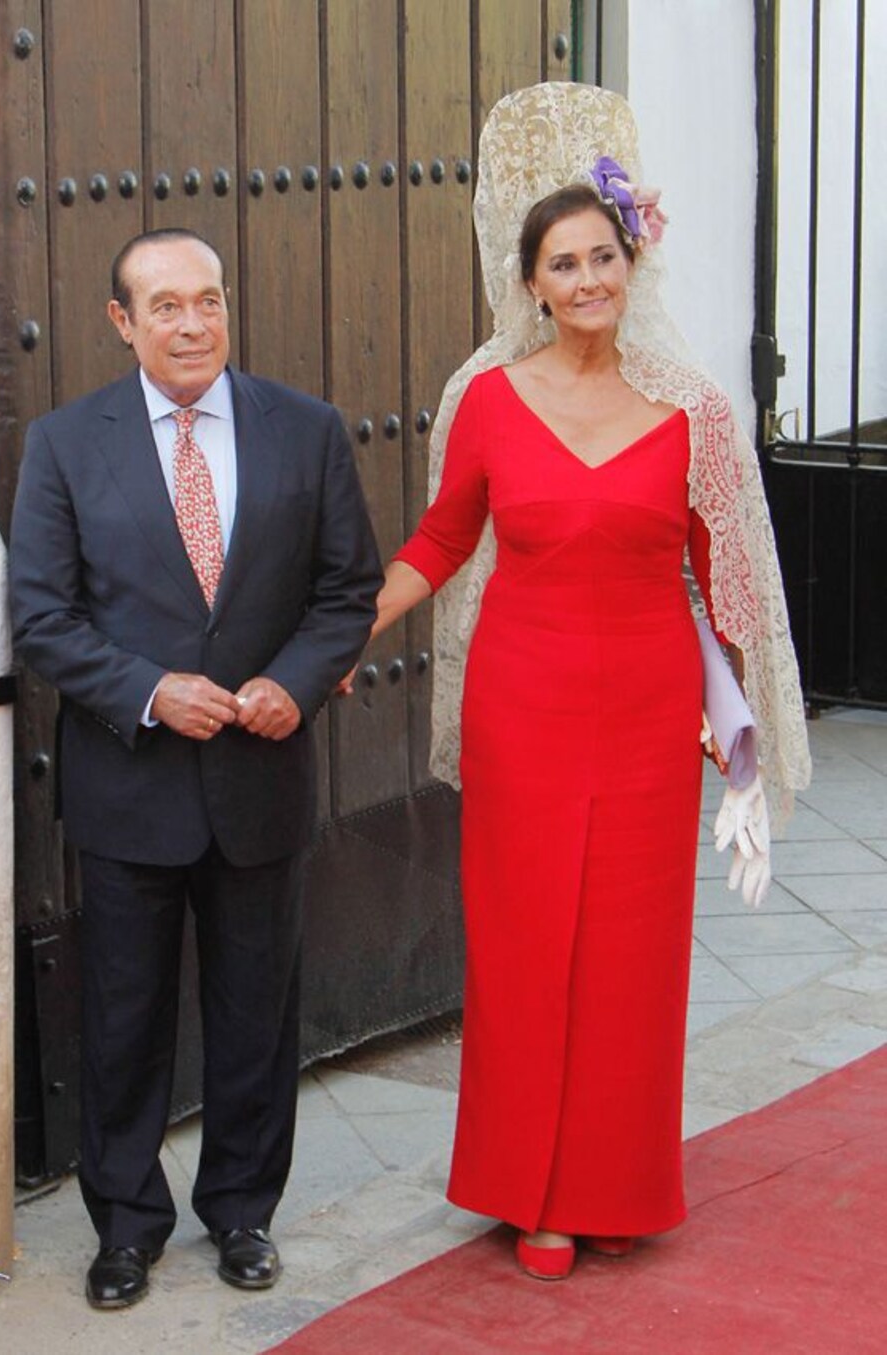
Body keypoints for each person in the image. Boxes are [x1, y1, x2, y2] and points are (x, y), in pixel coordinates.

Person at [357, 83, 811, 1280]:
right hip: (523, 710)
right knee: (523, 949)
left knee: (630, 954)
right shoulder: (494, 403)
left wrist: (740, 727)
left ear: (631, 262)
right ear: (534, 284)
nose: (587, 279)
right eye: (563, 263)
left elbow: (728, 581)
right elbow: (444, 539)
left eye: (604, 255)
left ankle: (612, 1184)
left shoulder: (696, 412)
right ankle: (532, 1194)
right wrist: (355, 626)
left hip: (650, 716)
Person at [9, 228, 382, 1309]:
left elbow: (345, 590)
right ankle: (125, 1226)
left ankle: (242, 1212)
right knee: (123, 1018)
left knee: (257, 1014)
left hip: (260, 780)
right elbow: (41, 614)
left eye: (208, 300)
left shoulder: (304, 431)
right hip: (129, 786)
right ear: (123, 322)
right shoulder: (69, 443)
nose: (192, 323)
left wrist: (297, 681)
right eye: (165, 305)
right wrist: (147, 688)